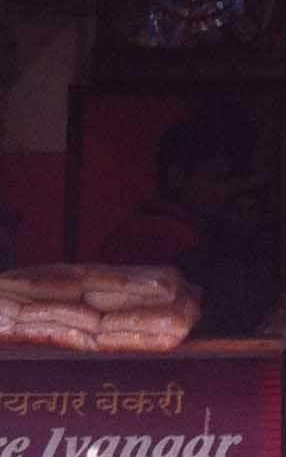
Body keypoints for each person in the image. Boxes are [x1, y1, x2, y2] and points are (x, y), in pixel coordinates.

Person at [100, 108, 275, 337]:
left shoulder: (164, 224)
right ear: (177, 178)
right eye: (214, 180)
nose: (224, 192)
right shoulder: (163, 234)